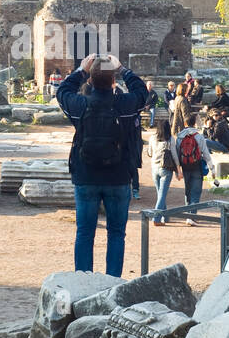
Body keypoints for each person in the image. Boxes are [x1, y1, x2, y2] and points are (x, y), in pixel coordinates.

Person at [55, 53, 148, 276]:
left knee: (85, 232)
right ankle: (112, 283)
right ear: (114, 80)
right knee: (116, 233)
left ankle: (83, 281)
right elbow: (142, 92)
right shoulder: (124, 105)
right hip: (118, 176)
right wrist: (123, 68)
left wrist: (81, 70)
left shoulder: (79, 105)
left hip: (86, 175)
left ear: (89, 80)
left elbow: (62, 92)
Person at [174, 113, 219, 223]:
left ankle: (188, 214)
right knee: (196, 192)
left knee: (187, 191)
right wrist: (212, 170)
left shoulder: (179, 137)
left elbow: (177, 153)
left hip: (185, 166)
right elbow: (206, 154)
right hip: (197, 166)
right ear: (194, 123)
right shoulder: (198, 136)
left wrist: (177, 170)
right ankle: (192, 216)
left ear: (185, 123)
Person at [148, 119, 179, 226]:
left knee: (161, 195)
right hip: (166, 169)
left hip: (154, 168)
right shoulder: (170, 139)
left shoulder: (152, 138)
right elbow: (175, 156)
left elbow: (149, 153)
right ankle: (156, 218)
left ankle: (165, 217)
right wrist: (179, 170)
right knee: (162, 195)